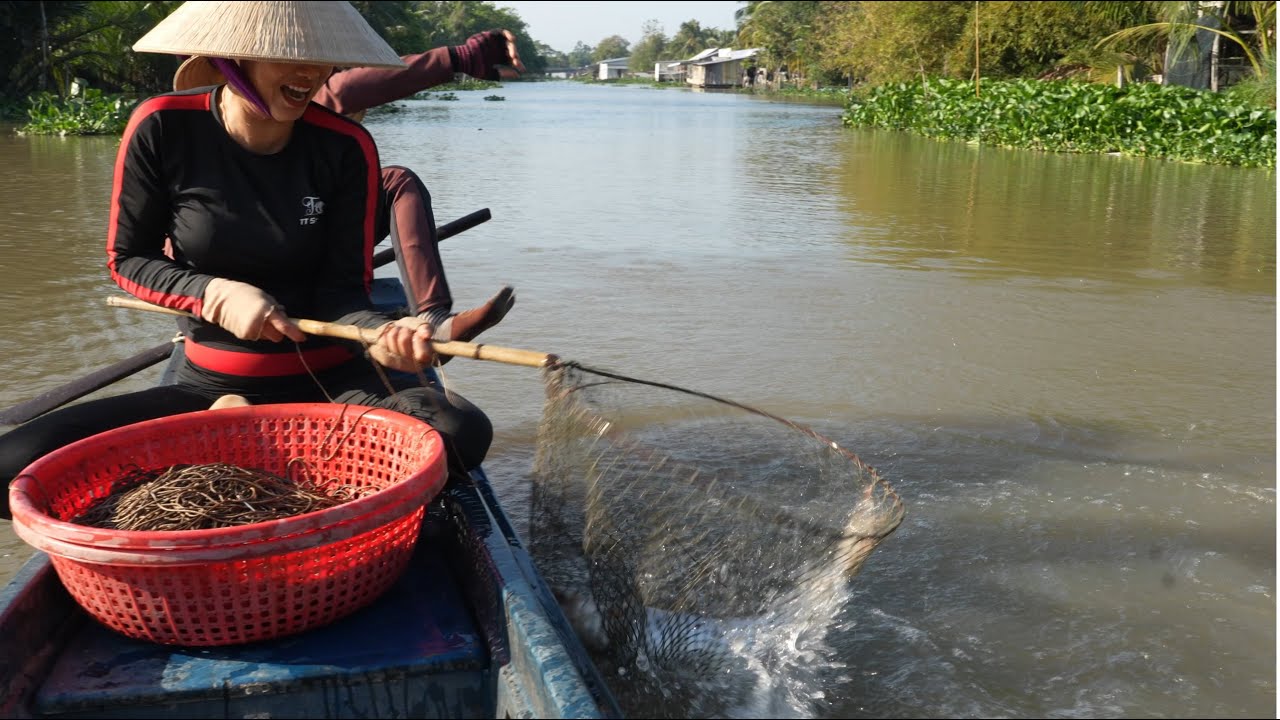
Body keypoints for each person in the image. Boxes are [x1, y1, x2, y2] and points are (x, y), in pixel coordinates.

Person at [0, 0, 492, 518]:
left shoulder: (346, 146)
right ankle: (245, 437)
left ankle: (238, 449)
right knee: (9, 467)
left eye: (320, 56)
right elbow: (129, 259)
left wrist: (382, 336)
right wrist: (212, 292)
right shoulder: (163, 125)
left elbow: (343, 292)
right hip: (210, 385)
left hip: (329, 384)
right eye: (286, 55)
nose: (310, 72)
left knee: (460, 433)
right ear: (233, 59)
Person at [171, 31, 526, 344]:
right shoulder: (186, 127)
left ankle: (431, 315)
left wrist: (462, 58)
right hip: (225, 278)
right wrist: (461, 57)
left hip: (303, 235)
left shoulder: (300, 101)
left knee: (395, 180)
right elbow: (350, 89)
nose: (307, 72)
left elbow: (366, 82)